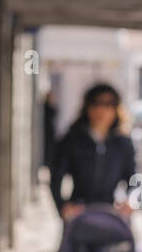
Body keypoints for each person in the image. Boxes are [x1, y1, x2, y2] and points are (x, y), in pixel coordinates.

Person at [49, 82, 136, 220]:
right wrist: (63, 206)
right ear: (87, 107)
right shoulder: (72, 139)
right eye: (96, 103)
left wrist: (130, 199)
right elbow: (56, 176)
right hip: (79, 213)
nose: (101, 110)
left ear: (116, 109)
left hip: (112, 213)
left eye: (108, 104)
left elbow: (134, 179)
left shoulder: (123, 142)